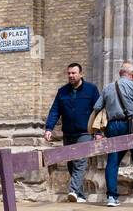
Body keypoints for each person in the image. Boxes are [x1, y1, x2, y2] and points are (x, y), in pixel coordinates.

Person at [92, 61, 133, 207]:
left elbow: (96, 106)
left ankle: (112, 197)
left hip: (113, 126)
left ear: (120, 74)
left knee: (113, 160)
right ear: (132, 75)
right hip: (131, 125)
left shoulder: (108, 87)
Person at [43, 62, 100, 202]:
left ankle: (73, 190)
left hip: (85, 133)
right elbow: (55, 110)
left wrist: (98, 131)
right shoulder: (62, 91)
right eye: (69, 73)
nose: (71, 76)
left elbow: (98, 110)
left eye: (74, 73)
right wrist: (49, 128)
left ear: (81, 74)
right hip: (68, 133)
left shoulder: (91, 90)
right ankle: (80, 195)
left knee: (80, 161)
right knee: (71, 164)